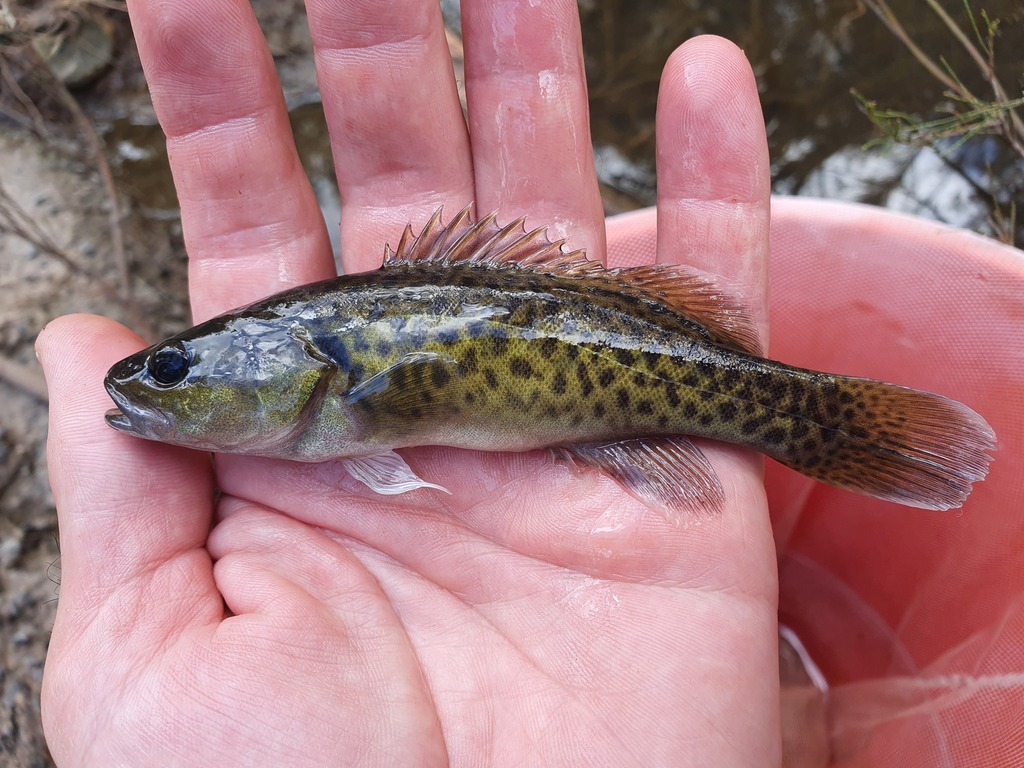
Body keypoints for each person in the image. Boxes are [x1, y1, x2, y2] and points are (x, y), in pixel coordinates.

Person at [37, 0, 1024, 766]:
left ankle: (819, 419)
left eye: (175, 370)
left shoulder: (333, 383)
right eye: (171, 369)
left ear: (284, 367)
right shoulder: (324, 383)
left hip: (650, 368)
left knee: (776, 403)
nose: (150, 385)